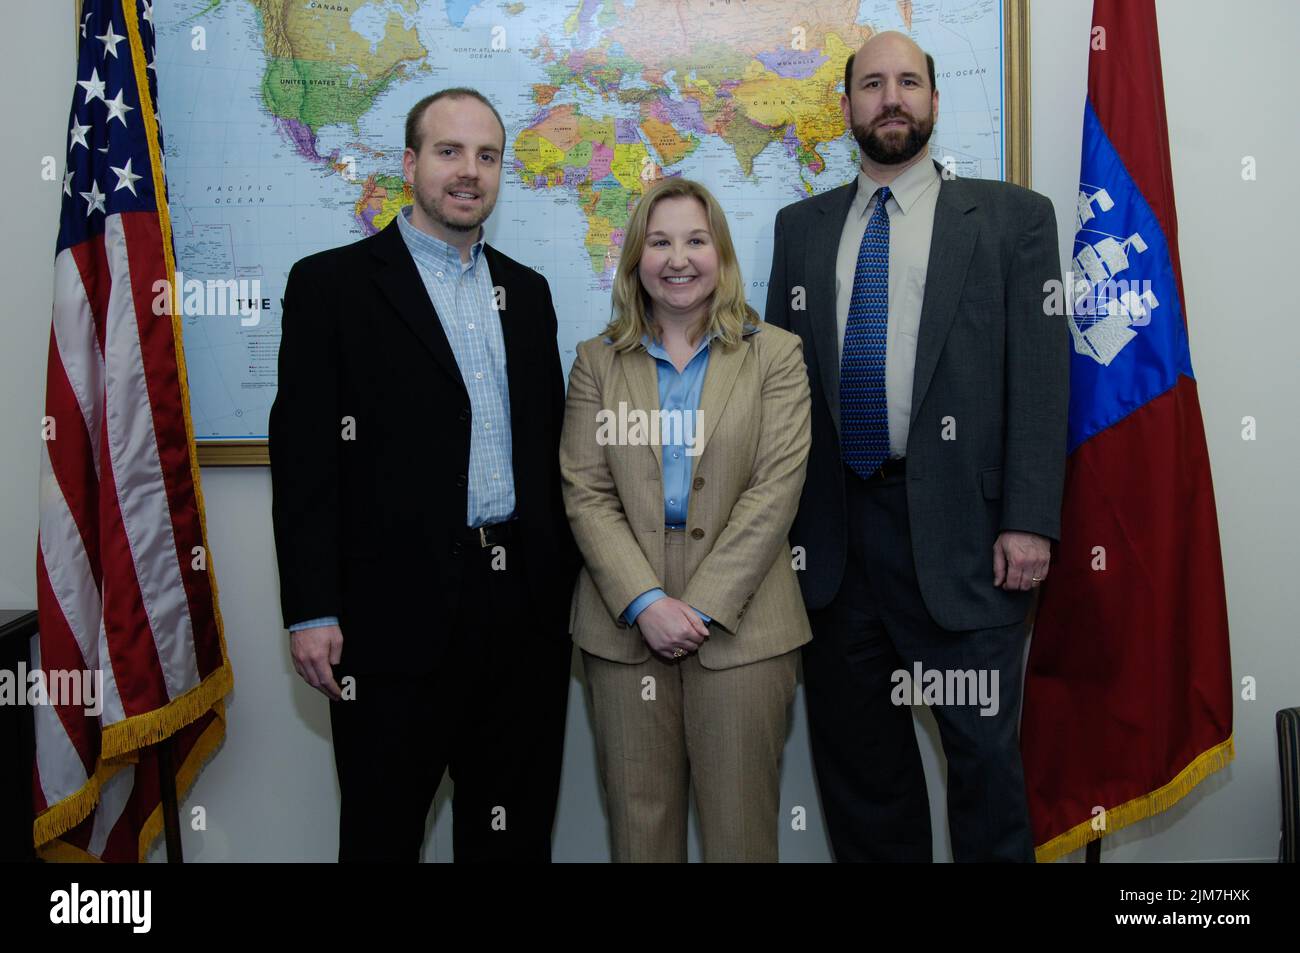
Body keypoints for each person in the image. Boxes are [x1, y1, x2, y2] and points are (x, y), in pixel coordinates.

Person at [764, 32, 1069, 862]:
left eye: (907, 82)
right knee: (863, 779)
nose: (890, 97)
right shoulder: (801, 228)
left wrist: (1031, 520)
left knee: (983, 766)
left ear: (934, 100)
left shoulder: (1013, 220)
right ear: (848, 107)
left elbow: (1042, 377)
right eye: (871, 84)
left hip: (970, 544)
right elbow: (782, 392)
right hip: (834, 550)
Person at [269, 87, 578, 862]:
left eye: (486, 155)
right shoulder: (330, 287)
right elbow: (304, 457)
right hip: (386, 623)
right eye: (449, 152)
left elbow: (550, 451)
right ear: (410, 164)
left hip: (520, 618)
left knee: (511, 839)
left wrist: (556, 587)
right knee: (381, 836)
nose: (468, 172)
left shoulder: (528, 293)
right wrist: (311, 610)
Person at [561, 177, 812, 862]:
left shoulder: (776, 356)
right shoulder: (595, 362)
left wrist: (699, 605)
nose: (679, 257)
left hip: (746, 624)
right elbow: (584, 489)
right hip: (624, 629)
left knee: (739, 836)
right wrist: (646, 602)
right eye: (660, 240)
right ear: (636, 257)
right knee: (641, 836)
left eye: (696, 240)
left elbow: (776, 488)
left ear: (721, 254)